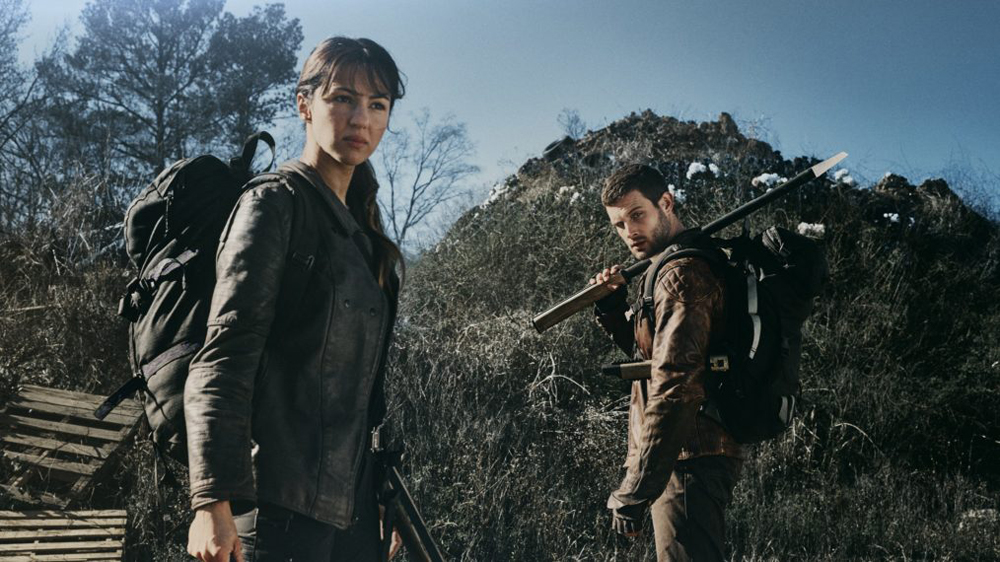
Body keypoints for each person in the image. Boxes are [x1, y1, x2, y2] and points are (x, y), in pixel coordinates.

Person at [184, 37, 405, 562]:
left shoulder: (363, 234)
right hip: (277, 509)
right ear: (305, 105)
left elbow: (358, 393)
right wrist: (211, 503)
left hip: (348, 512)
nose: (361, 119)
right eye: (343, 98)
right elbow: (223, 358)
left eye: (377, 105)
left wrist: (374, 495)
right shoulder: (274, 205)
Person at [590, 164, 744, 562]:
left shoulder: (680, 274)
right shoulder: (665, 269)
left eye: (637, 215)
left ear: (666, 203)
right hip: (680, 454)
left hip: (688, 453)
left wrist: (635, 489)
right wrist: (613, 309)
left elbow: (675, 384)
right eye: (619, 224)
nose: (629, 232)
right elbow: (653, 358)